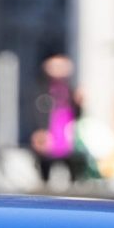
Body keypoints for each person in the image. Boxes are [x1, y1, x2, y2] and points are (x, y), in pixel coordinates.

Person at [29, 52, 91, 184]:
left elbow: (78, 114)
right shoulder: (41, 88)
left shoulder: (69, 87)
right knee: (45, 168)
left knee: (71, 167)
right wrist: (40, 130)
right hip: (49, 132)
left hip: (66, 133)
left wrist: (79, 103)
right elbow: (36, 111)